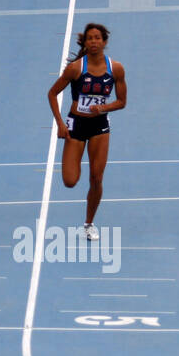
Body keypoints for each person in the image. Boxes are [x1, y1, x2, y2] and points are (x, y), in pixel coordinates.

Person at [47, 23, 126, 238]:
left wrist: (103, 107)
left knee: (96, 178)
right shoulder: (75, 68)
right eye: (90, 38)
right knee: (70, 181)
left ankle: (89, 223)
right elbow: (52, 94)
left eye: (97, 38)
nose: (93, 42)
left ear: (104, 42)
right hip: (76, 125)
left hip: (99, 126)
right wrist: (60, 124)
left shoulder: (116, 68)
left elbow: (122, 101)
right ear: (85, 42)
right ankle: (76, 160)